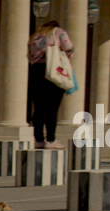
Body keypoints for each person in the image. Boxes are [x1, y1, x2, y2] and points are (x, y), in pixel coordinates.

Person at [27, 20, 74, 150]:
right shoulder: (58, 33)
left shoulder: (35, 37)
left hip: (36, 71)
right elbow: (69, 47)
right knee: (52, 107)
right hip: (53, 72)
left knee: (39, 107)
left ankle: (39, 139)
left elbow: (30, 56)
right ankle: (51, 139)